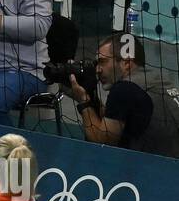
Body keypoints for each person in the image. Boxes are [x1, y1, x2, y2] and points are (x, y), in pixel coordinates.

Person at [65, 31, 179, 159]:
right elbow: (114, 116)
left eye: (102, 62)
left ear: (126, 63)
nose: (97, 70)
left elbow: (102, 143)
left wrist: (83, 101)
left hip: (157, 171)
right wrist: (92, 99)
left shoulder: (124, 89)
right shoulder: (158, 80)